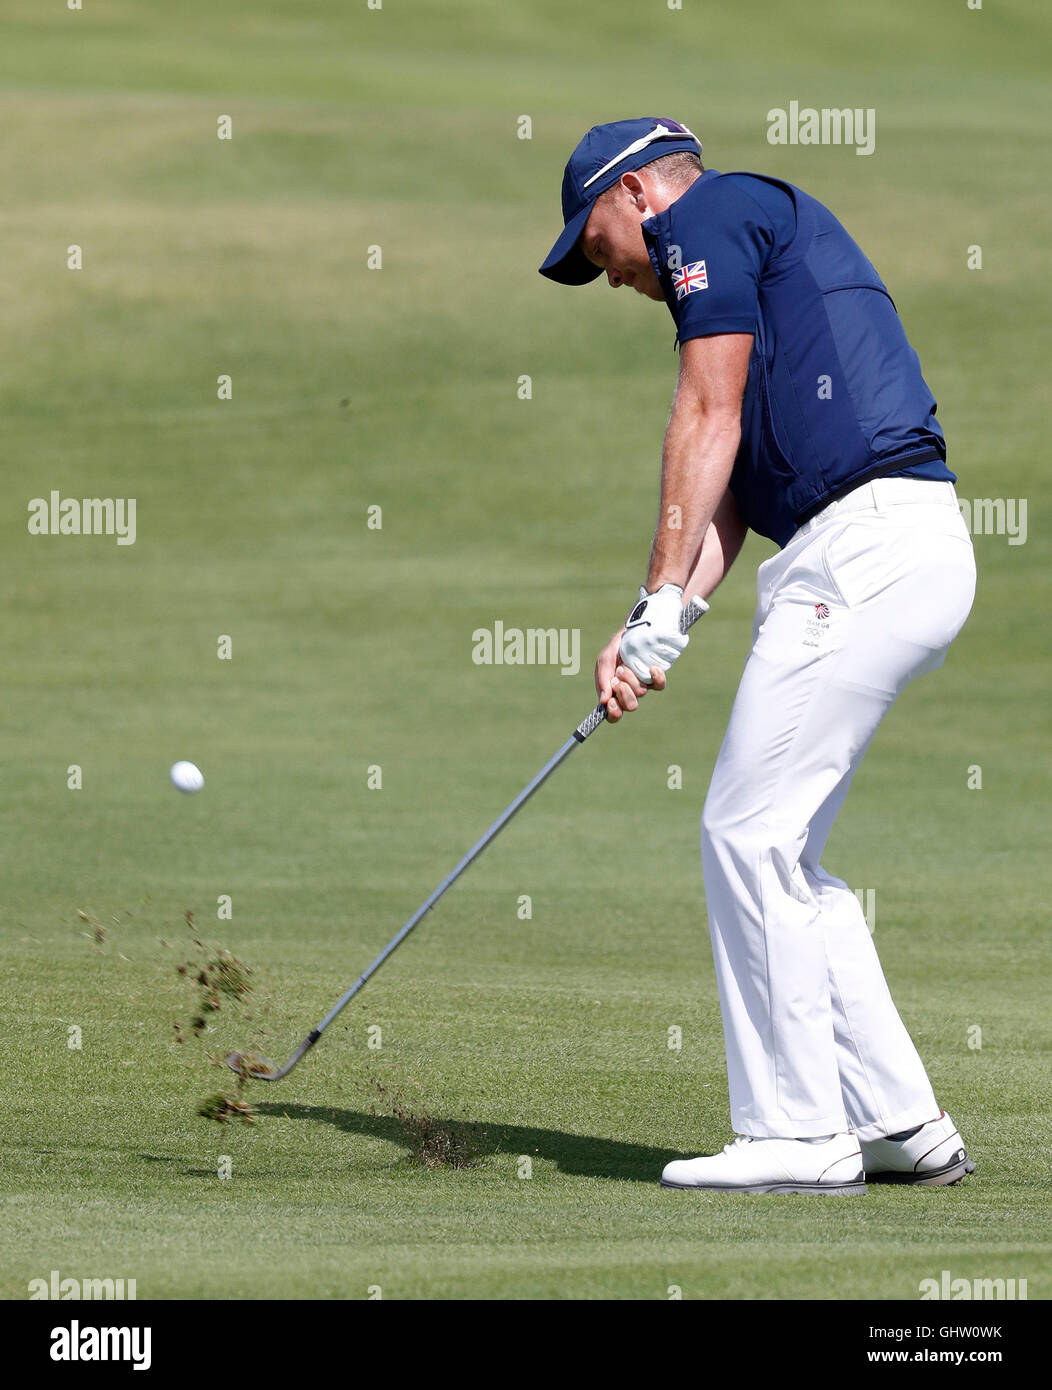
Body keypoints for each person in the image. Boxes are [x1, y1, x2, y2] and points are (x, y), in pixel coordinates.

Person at [539, 118, 977, 1194]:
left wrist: (649, 597)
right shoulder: (739, 250)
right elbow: (729, 481)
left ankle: (794, 1134)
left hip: (865, 546)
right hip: (890, 548)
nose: (608, 278)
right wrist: (667, 621)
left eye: (598, 249)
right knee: (781, 851)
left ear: (638, 193)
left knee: (742, 832)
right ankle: (895, 1120)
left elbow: (704, 410)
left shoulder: (710, 214)